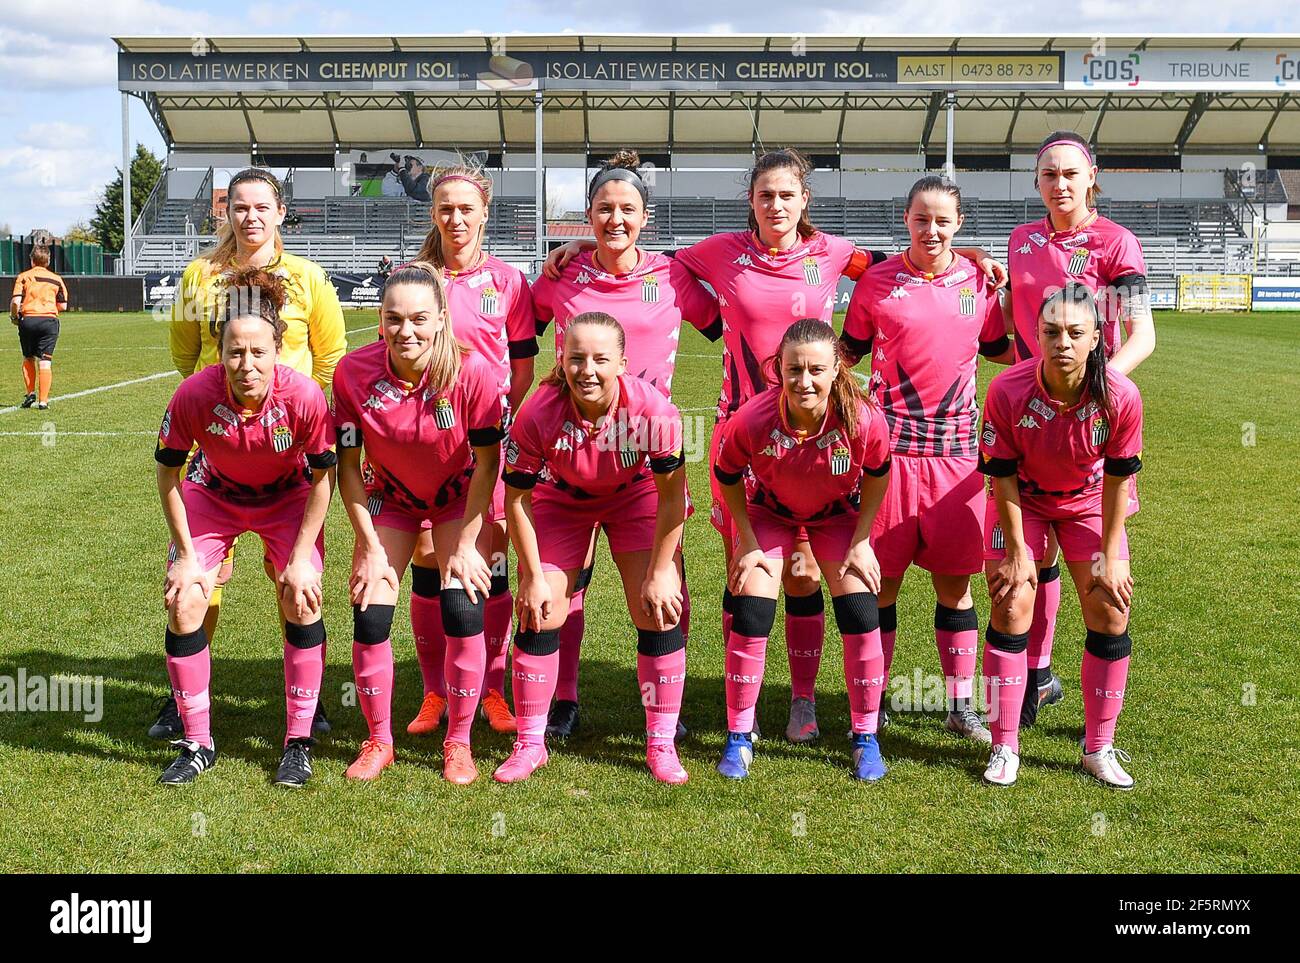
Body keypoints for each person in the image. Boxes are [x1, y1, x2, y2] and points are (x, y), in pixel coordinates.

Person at [545, 147, 1004, 745]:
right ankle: (743, 707)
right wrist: (584, 243)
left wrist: (969, 255)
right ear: (752, 201)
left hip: (814, 432)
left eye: (788, 195)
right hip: (743, 432)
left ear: (804, 200)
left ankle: (802, 701)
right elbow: (644, 258)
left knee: (806, 571)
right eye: (766, 195)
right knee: (745, 568)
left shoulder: (833, 252)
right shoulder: (718, 253)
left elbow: (900, 262)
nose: (777, 205)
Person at [149, 167, 347, 742]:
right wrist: (220, 416)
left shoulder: (307, 277)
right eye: (239, 207)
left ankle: (310, 699)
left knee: (296, 578)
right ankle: (184, 698)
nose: (250, 217)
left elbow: (331, 356)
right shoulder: (199, 276)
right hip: (220, 451)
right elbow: (186, 356)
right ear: (225, 212)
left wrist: (295, 414)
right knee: (199, 581)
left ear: (280, 212)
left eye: (262, 206)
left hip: (290, 450)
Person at [530, 148, 721, 739]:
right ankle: (563, 699)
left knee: (664, 587)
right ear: (588, 215)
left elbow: (725, 325)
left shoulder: (673, 276)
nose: (616, 219)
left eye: (628, 209)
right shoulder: (562, 275)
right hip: (568, 456)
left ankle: (666, 712)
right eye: (604, 209)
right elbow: (517, 332)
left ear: (645, 217)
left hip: (645, 460)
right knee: (568, 584)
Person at [840, 175, 1015, 741]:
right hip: (888, 459)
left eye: (942, 220)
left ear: (958, 224)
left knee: (956, 588)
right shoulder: (877, 283)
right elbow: (847, 354)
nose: (931, 230)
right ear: (906, 220)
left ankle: (960, 705)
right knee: (879, 585)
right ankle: (874, 701)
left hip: (957, 461)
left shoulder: (978, 283)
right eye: (921, 219)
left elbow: (1001, 352)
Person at [497, 311, 690, 785]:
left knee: (659, 609)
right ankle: (530, 744)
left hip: (636, 496)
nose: (587, 370)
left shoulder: (652, 411)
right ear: (562, 360)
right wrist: (532, 575)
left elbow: (672, 498)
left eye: (600, 360)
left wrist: (661, 571)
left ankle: (661, 744)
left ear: (622, 363)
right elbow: (516, 499)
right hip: (561, 499)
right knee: (540, 609)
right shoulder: (539, 412)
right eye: (576, 358)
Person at [332, 262, 505, 784]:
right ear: (380, 320)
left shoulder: (473, 372)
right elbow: (347, 467)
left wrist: (467, 544)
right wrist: (368, 546)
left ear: (441, 319)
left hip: (457, 500)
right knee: (370, 612)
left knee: (462, 605)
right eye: (394, 319)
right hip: (391, 501)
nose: (405, 331)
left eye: (419, 319)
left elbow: (488, 463)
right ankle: (379, 741)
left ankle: (459, 741)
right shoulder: (352, 374)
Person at [1005, 130, 1154, 728]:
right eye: (1049, 174)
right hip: (1028, 418)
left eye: (1070, 173)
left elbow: (1143, 334)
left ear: (1092, 177)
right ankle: (1036, 675)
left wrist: (1099, 390)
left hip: (1087, 424)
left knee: (1093, 566)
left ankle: (1096, 731)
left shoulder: (1116, 243)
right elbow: (1012, 321)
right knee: (1032, 554)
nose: (1060, 184)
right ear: (1036, 182)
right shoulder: (1020, 240)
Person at [979, 282, 1144, 788]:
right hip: (1022, 500)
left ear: (1097, 338)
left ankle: (1098, 747)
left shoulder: (1120, 395)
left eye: (1075, 332)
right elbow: (1001, 474)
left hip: (1088, 502)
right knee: (1011, 603)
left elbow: (1118, 478)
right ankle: (1004, 744)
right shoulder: (1007, 390)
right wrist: (1018, 551)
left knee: (1110, 608)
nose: (1062, 343)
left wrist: (1110, 554)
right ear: (1036, 334)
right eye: (1051, 332)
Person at [712, 319, 892, 780]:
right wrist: (746, 539)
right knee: (752, 607)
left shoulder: (862, 418)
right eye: (794, 369)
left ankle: (865, 737)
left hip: (836, 516)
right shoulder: (754, 417)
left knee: (860, 611)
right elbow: (727, 474)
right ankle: (739, 735)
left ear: (836, 369)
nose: (804, 381)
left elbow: (878, 473)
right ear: (779, 369)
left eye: (816, 370)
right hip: (769, 514)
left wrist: (862, 540)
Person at [398, 162, 539, 740]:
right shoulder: (414, 278)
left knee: (491, 560)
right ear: (433, 214)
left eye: (465, 208)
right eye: (445, 209)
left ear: (485, 212)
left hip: (486, 443)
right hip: (425, 446)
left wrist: (497, 420)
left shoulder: (508, 282)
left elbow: (522, 368)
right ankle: (435, 689)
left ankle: (492, 688)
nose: (455, 218)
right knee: (429, 556)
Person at [10, 246, 68, 410]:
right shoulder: (56, 279)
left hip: (28, 320)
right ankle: (43, 401)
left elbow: (15, 302)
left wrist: (14, 317)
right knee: (45, 361)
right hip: (49, 321)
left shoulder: (23, 277)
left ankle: (30, 393)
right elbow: (63, 305)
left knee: (28, 357)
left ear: (32, 260)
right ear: (48, 261)